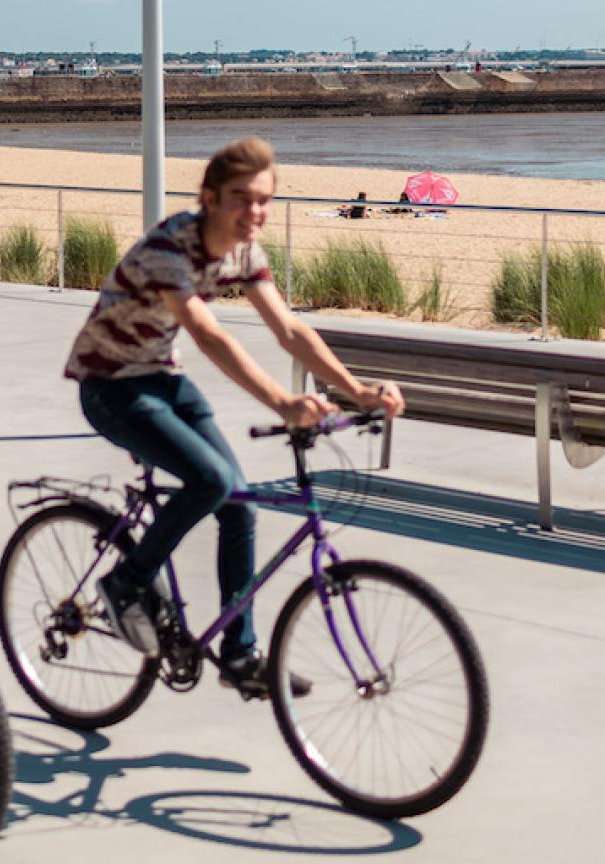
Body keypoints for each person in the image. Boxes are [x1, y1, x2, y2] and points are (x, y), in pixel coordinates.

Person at [66, 137, 404, 693]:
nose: (255, 213)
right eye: (242, 199)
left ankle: (241, 655)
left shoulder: (246, 253)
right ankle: (126, 583)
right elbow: (208, 333)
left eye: (264, 201)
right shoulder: (168, 250)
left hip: (161, 377)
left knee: (238, 505)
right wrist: (283, 403)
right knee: (214, 480)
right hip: (109, 384)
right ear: (209, 198)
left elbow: (289, 329)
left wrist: (357, 391)